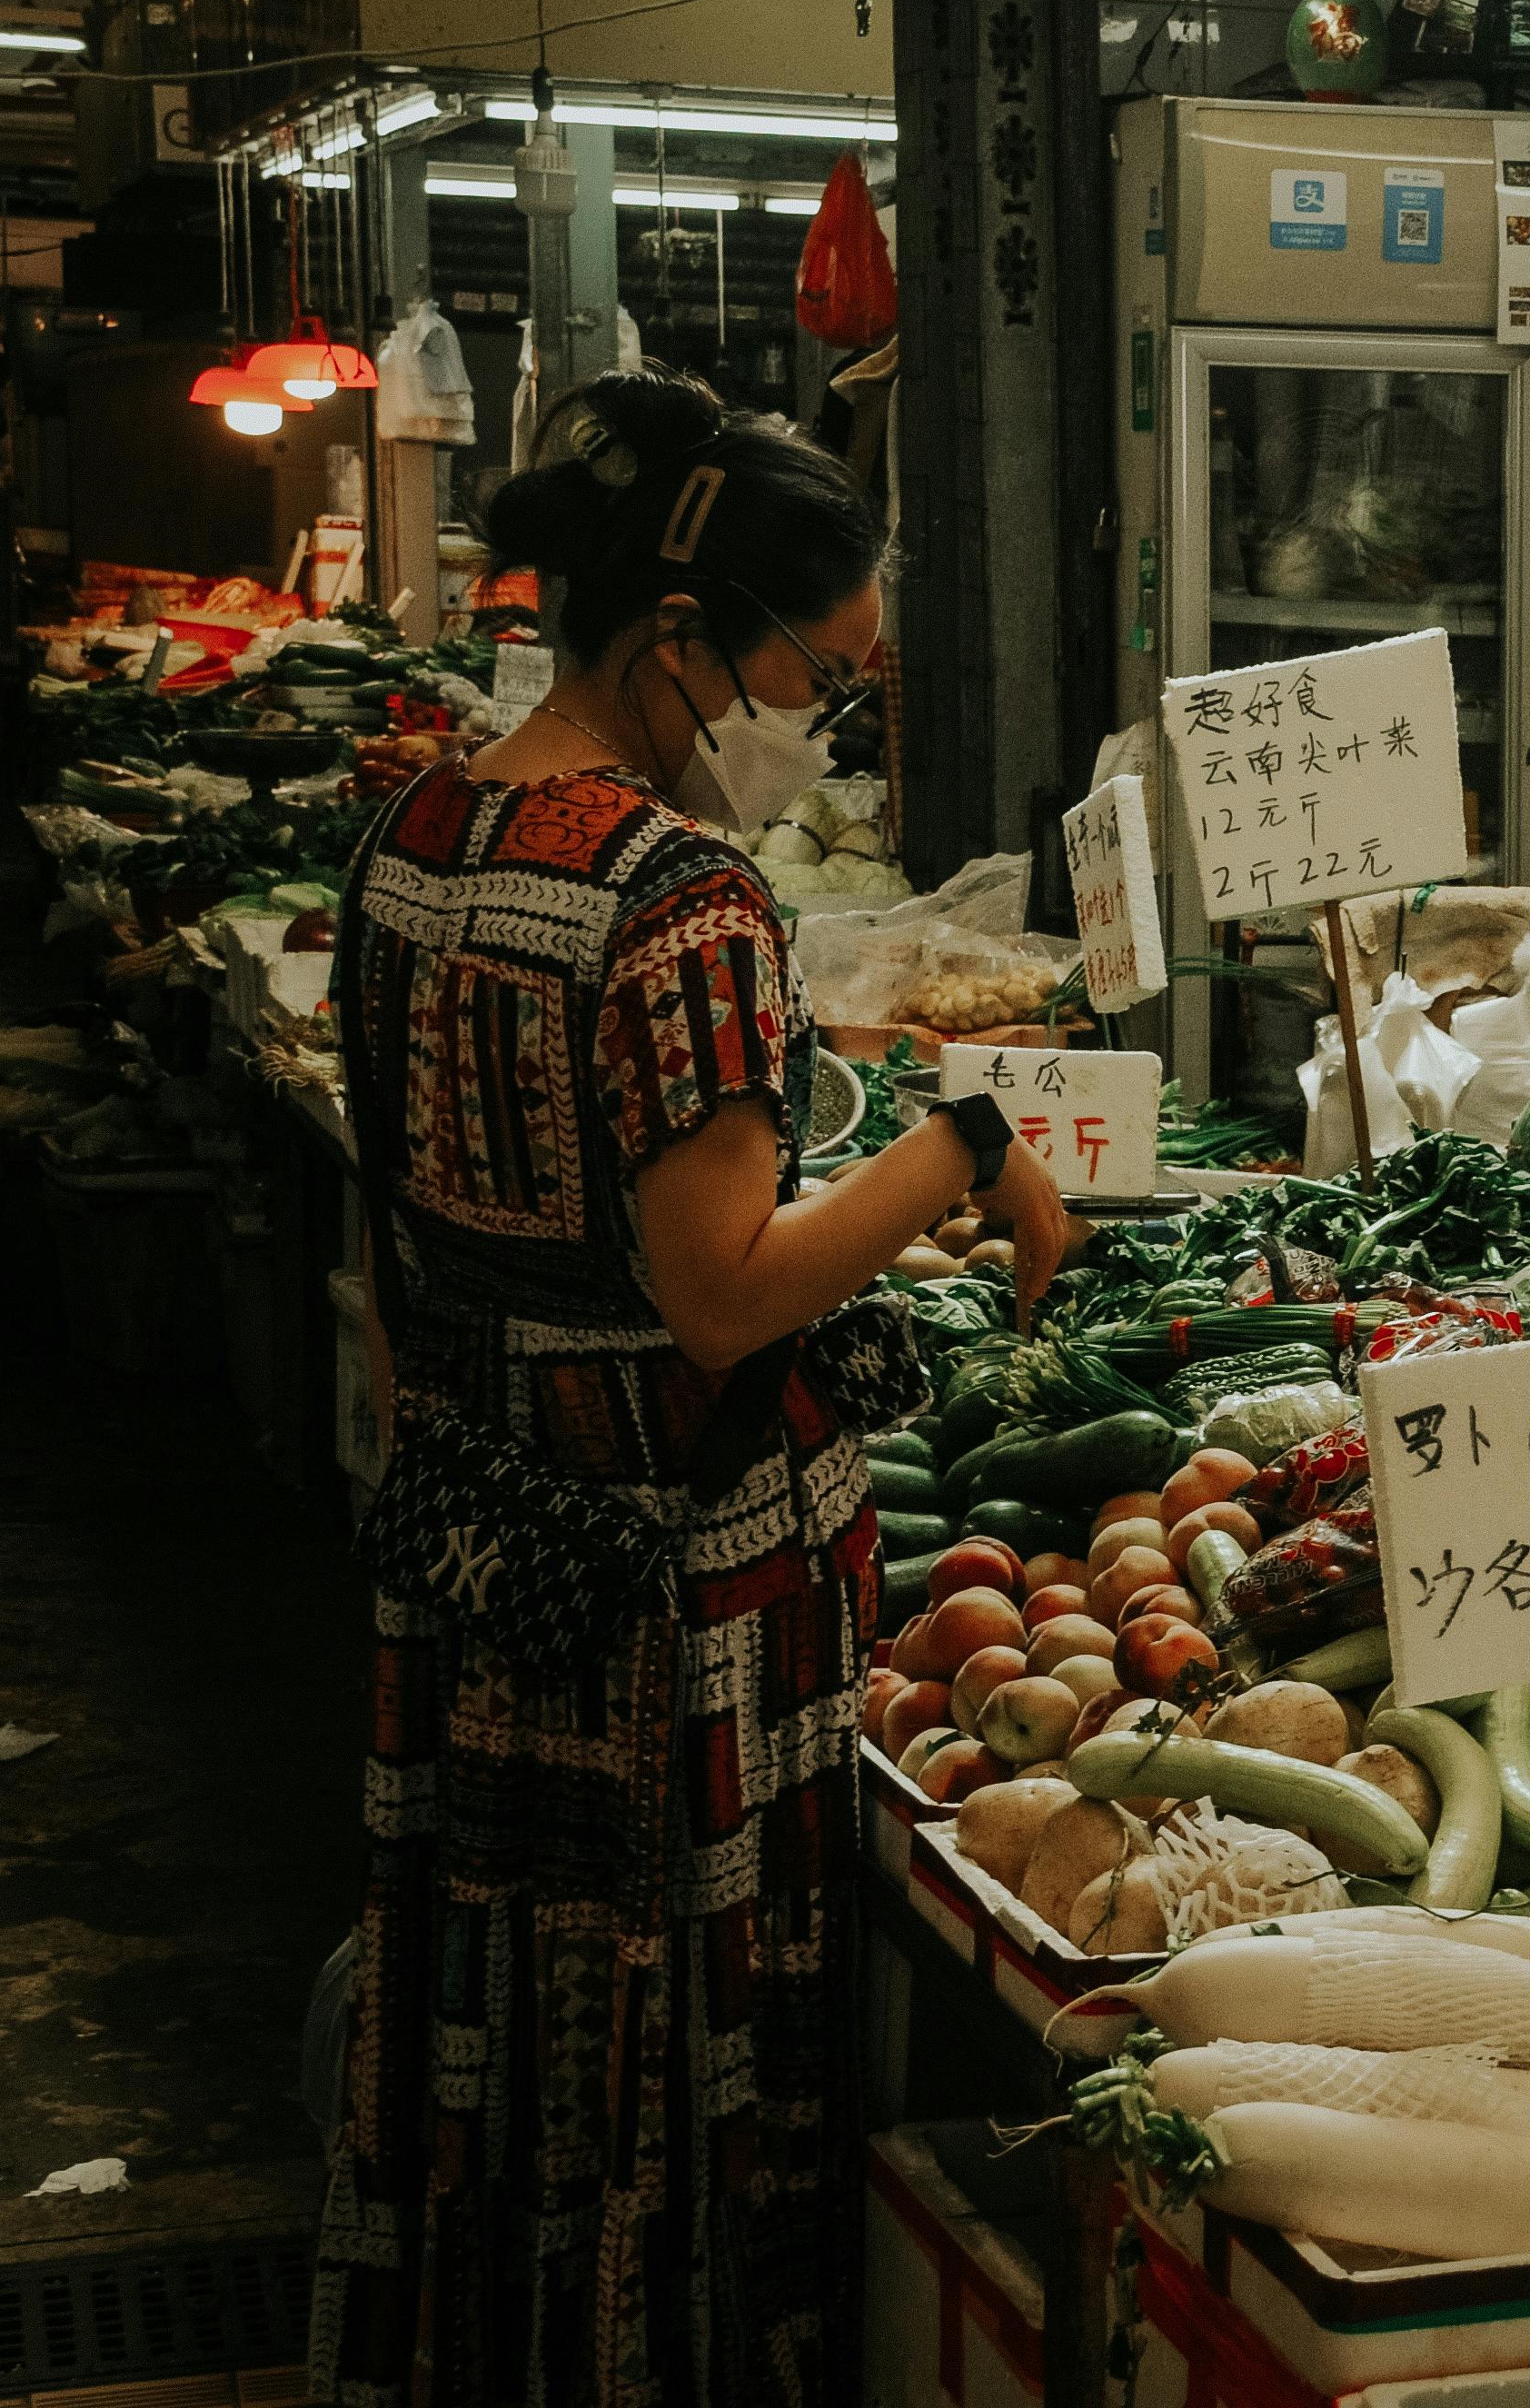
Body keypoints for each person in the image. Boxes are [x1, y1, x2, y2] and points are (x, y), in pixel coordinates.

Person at [313, 370, 1066, 2406]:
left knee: (493, 2033)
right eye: (821, 676)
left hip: (483, 1566)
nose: (820, 722)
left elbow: (397, 1247)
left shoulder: (413, 835)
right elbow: (722, 1296)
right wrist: (962, 1154)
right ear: (683, 637)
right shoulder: (680, 895)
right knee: (670, 2070)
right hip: (674, 1615)